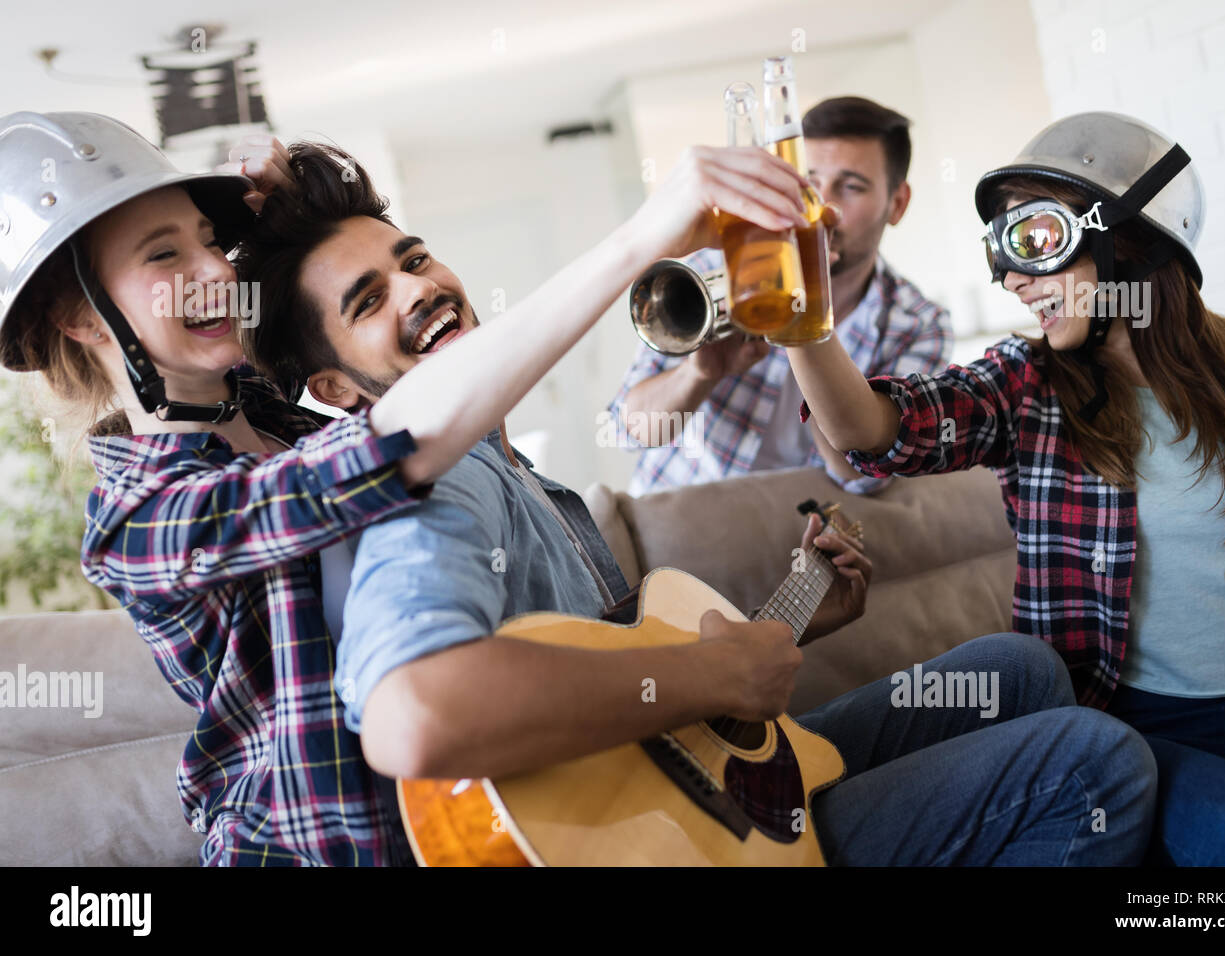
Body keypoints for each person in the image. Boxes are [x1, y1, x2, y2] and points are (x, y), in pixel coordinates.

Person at [237, 141, 1160, 866]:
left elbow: (643, 717)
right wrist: (722, 676)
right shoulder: (436, 482)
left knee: (1019, 670)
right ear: (338, 388)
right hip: (667, 845)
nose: (420, 288)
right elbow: (421, 715)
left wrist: (785, 628)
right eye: (368, 299)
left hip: (675, 800)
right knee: (1097, 765)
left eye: (414, 259)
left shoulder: (527, 484)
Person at [0, 110, 822, 865]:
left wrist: (281, 212)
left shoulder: (275, 418)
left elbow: (363, 372)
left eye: (208, 238)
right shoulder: (142, 521)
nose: (215, 267)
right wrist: (645, 234)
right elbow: (391, 444)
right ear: (75, 316)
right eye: (163, 254)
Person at [785, 110, 1225, 865]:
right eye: (1002, 248)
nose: (1013, 278)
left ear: (1131, 236)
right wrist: (802, 323)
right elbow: (875, 430)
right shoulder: (1029, 387)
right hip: (1144, 723)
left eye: (1034, 240)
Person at [609, 96, 952, 496]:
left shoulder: (920, 325)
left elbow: (864, 478)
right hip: (676, 512)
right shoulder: (710, 265)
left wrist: (804, 321)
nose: (819, 205)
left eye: (851, 186)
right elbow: (626, 431)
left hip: (792, 531)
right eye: (809, 180)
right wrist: (699, 373)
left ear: (897, 203)